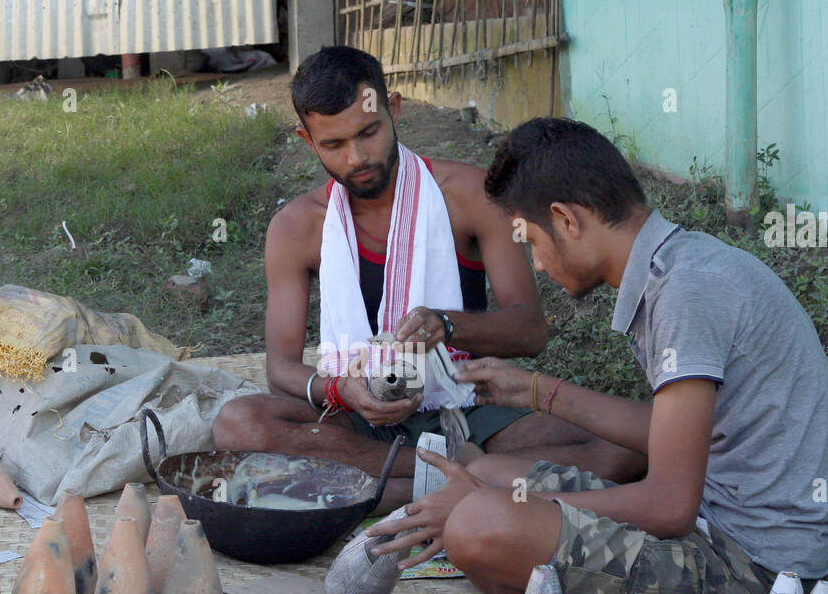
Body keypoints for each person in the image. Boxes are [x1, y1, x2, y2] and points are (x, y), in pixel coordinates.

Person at [367, 117, 828, 594]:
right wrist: (534, 392)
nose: (539, 265)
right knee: (487, 470)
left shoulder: (687, 293)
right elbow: (678, 436)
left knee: (477, 521)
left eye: (531, 242)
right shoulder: (681, 269)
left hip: (759, 582)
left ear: (565, 219)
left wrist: (507, 503)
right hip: (713, 528)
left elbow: (669, 507)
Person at [213, 47, 641, 510]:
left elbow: (530, 329)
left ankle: (374, 492)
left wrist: (447, 325)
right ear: (307, 140)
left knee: (633, 443)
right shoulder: (297, 227)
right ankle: (460, 477)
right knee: (239, 424)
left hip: (469, 407)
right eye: (333, 145)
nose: (357, 157)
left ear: (393, 110)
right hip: (359, 415)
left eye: (369, 132)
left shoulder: (469, 196)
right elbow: (281, 369)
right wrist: (341, 390)